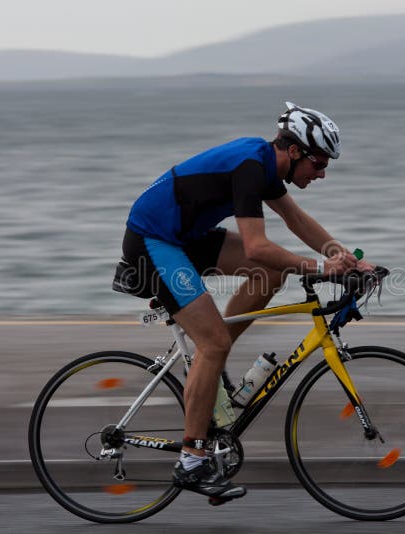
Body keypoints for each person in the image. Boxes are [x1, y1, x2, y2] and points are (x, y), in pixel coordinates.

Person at [119, 102, 373, 502]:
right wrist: (321, 269)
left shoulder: (267, 165)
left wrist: (350, 260)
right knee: (215, 340)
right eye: (319, 163)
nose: (322, 173)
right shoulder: (251, 168)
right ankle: (190, 461)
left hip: (186, 237)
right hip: (154, 240)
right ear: (294, 152)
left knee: (272, 276)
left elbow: (297, 220)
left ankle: (212, 372)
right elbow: (256, 247)